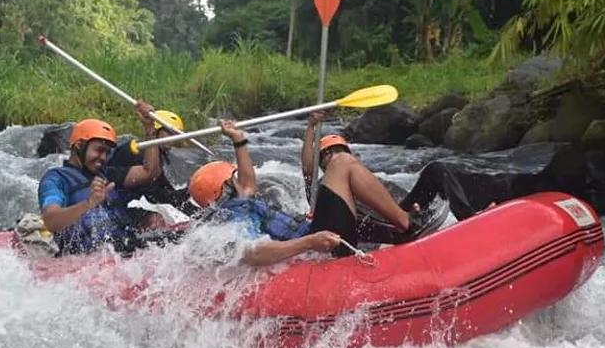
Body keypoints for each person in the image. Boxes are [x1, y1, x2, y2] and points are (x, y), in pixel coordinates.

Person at [188, 120, 419, 266]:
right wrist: (309, 242)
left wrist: (238, 140)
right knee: (342, 164)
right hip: (318, 248)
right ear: (226, 187)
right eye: (234, 177)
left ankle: (400, 228)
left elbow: (248, 181)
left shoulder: (241, 201)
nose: (242, 179)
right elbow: (251, 253)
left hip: (316, 236)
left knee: (342, 165)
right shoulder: (234, 217)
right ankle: (407, 224)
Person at [301, 112, 457, 244]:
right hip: (364, 232)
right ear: (320, 163)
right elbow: (308, 170)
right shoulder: (322, 189)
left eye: (340, 151)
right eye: (329, 153)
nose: (337, 156)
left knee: (436, 170)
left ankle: (470, 219)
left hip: (393, 219)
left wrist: (413, 208)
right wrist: (310, 127)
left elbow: (394, 201)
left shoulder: (361, 177)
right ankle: (409, 226)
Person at [37, 101, 164, 255]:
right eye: (99, 150)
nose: (103, 157)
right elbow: (51, 221)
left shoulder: (107, 174)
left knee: (163, 225)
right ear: (78, 146)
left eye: (107, 152)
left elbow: (150, 173)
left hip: (123, 248)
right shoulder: (55, 178)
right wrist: (88, 203)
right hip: (84, 257)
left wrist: (150, 128)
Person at [105, 109, 200, 217]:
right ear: (156, 131)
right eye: (168, 133)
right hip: (109, 201)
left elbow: (166, 190)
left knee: (158, 219)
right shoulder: (140, 153)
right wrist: (190, 190)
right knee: (155, 220)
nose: (172, 139)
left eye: (174, 135)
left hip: (122, 202)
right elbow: (155, 195)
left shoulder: (155, 155)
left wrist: (197, 213)